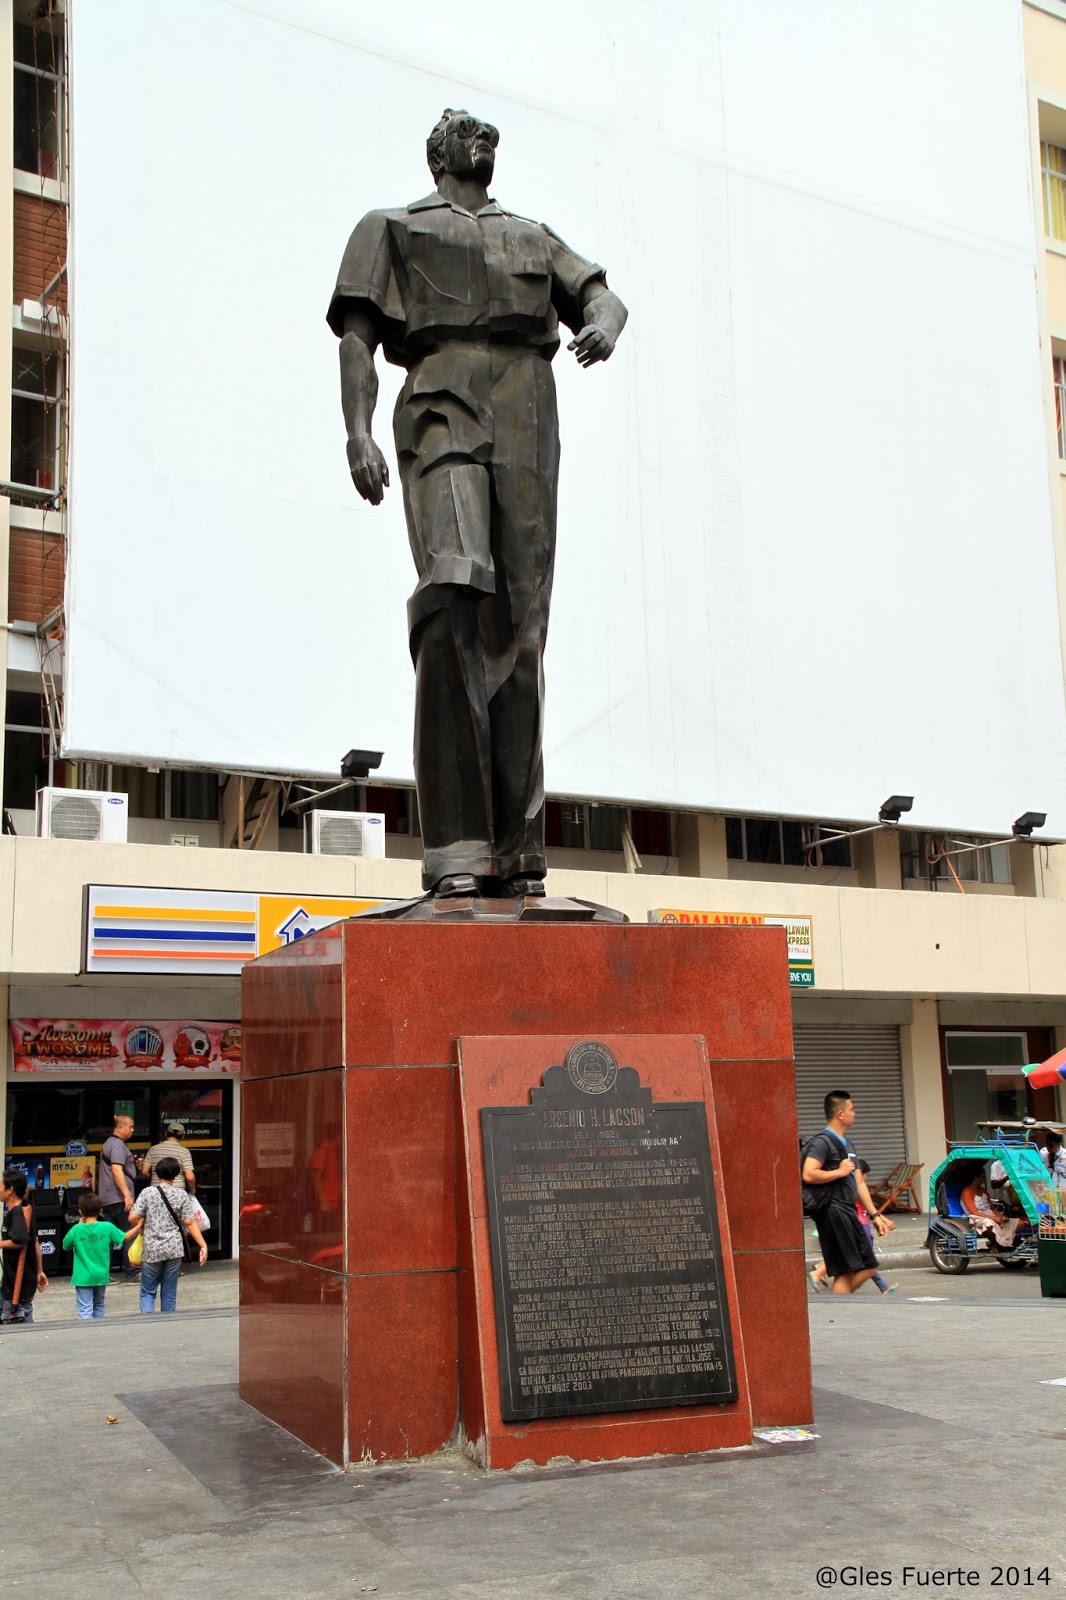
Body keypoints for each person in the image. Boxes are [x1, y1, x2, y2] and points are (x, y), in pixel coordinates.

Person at [329, 109, 627, 898]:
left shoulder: (532, 235)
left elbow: (601, 295)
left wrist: (603, 322)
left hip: (529, 404)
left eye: (490, 133)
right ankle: (457, 843)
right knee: (455, 595)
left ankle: (517, 845)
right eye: (468, 133)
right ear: (438, 154)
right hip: (440, 397)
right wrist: (356, 431)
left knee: (523, 628)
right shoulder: (391, 226)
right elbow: (356, 336)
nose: (483, 139)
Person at [802, 1090, 890, 1294]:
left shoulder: (848, 1144)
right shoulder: (822, 1142)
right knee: (844, 1270)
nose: (855, 1113)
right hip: (833, 1211)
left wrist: (875, 1215)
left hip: (849, 1210)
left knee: (868, 1266)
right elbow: (808, 1174)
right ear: (840, 1114)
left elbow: (858, 1182)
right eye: (851, 1109)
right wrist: (839, 1171)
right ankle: (839, 1310)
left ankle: (839, 1303)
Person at [127, 1156, 207, 1313]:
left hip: (152, 1249)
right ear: (176, 1174)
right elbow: (189, 1222)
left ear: (157, 1173)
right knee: (169, 1292)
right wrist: (203, 1245)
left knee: (148, 1291)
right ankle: (168, 1325)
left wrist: (142, 1223)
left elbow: (133, 1217)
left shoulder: (147, 1193)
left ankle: (149, 1322)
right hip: (174, 1248)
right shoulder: (181, 1195)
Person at [808, 1159, 898, 1296]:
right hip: (857, 1225)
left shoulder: (852, 1187)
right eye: (865, 1176)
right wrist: (881, 1219)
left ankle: (829, 1278)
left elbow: (870, 1209)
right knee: (863, 1262)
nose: (865, 1179)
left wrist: (878, 1218)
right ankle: (821, 1273)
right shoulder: (852, 1187)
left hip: (857, 1224)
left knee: (865, 1263)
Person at [62, 1191, 135, 1320]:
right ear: (101, 1210)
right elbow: (124, 1237)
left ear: (80, 1212)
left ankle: (88, 1334)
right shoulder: (107, 1227)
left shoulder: (76, 1229)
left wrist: (78, 1225)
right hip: (101, 1274)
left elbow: (65, 1245)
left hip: (83, 1277)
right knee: (99, 1305)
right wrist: (139, 1225)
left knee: (85, 1308)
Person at [0, 1167, 47, 1322]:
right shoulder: (26, 1207)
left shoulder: (17, 1213)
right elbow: (34, 1242)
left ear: (10, 1190)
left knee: (17, 1324)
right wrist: (39, 1270)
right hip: (21, 1279)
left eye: (1, 1185)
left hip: (16, 1283)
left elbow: (20, 1241)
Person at [99, 1113, 138, 1278]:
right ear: (120, 1127)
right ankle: (132, 1272)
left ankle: (102, 1273)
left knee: (106, 1237)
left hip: (107, 1198)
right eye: (130, 1127)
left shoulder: (108, 1143)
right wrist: (127, 1195)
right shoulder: (118, 1146)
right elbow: (116, 1169)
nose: (132, 1130)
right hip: (118, 1198)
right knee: (129, 1233)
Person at [961, 1173, 1022, 1250]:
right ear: (975, 1178)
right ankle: (994, 1244)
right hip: (977, 1217)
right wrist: (994, 1218)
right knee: (989, 1223)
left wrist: (1000, 1216)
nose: (983, 1178)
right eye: (981, 1176)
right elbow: (974, 1211)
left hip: (990, 1213)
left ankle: (1010, 1240)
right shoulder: (967, 1192)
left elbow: (992, 1208)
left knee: (1019, 1223)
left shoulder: (983, 1190)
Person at [141, 1120, 196, 1194]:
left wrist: (153, 1179)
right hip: (178, 1192)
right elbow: (190, 1177)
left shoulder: (153, 1149)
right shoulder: (184, 1152)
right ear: (182, 1137)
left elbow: (144, 1171)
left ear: (166, 1134)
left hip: (156, 1190)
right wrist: (192, 1190)